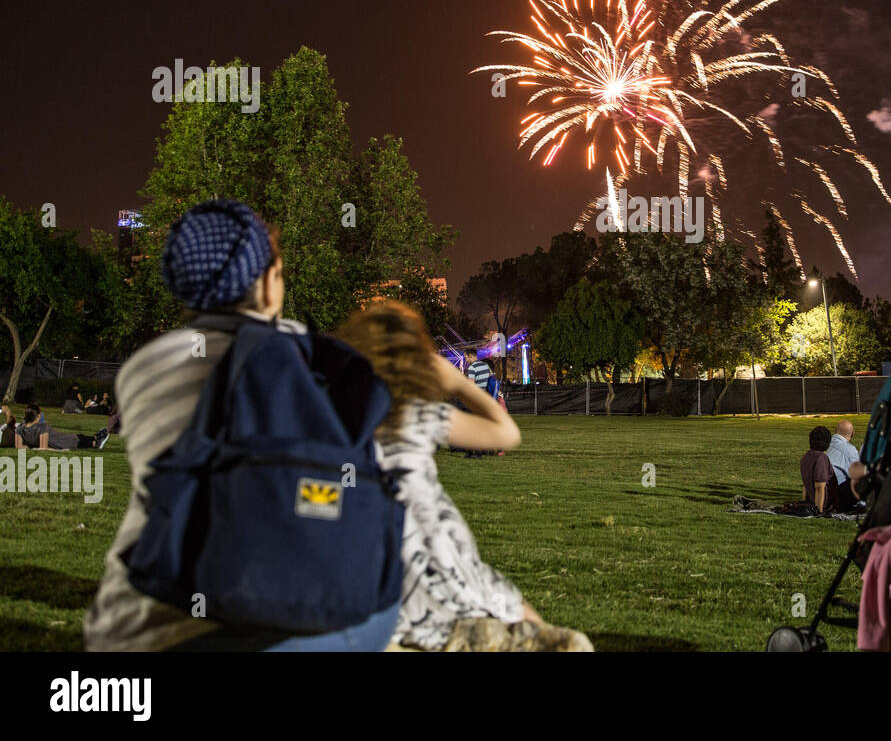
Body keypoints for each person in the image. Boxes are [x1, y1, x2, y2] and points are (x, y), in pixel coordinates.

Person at [84, 198, 399, 652]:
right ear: (270, 282)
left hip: (138, 623)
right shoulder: (309, 356)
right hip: (277, 621)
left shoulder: (142, 369)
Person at [335, 301, 592, 652]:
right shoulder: (416, 416)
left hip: (372, 581)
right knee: (528, 619)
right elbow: (505, 434)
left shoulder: (332, 416)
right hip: (442, 569)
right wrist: (459, 384)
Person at [15, 405, 109, 450]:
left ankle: (96, 437)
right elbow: (43, 448)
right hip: (63, 441)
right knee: (79, 439)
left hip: (60, 439)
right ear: (38, 416)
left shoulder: (20, 428)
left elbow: (18, 446)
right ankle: (96, 442)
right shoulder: (42, 427)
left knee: (81, 438)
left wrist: (28, 447)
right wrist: (59, 452)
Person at [800, 425, 838, 514]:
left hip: (813, 501)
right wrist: (819, 511)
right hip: (827, 505)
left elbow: (805, 484)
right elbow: (820, 487)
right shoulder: (821, 458)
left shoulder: (806, 456)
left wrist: (804, 502)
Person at [825, 419, 860, 510]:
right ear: (852, 434)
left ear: (835, 430)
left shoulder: (825, 444)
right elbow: (858, 477)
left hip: (817, 490)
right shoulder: (850, 450)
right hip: (834, 496)